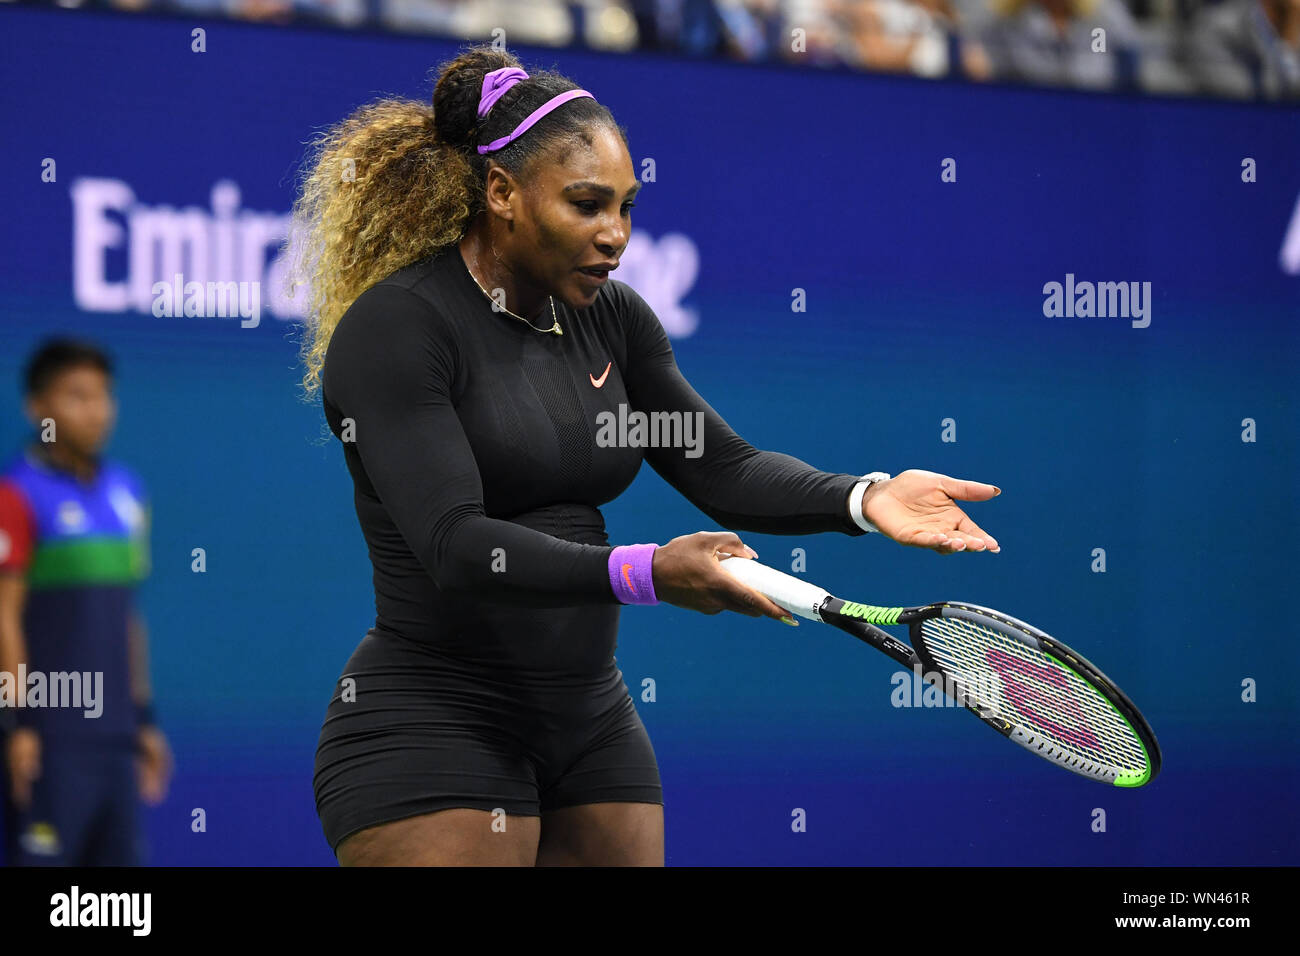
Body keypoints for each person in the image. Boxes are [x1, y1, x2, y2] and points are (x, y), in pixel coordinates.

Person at [291, 44, 1001, 867]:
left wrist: (863, 498)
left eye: (626, 207)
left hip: (591, 722)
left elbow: (722, 468)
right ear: (500, 194)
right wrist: (648, 572)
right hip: (435, 720)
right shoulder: (401, 328)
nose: (616, 236)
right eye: (587, 205)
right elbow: (455, 545)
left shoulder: (613, 322)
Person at [0, 338, 172, 866]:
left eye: (103, 396)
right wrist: (18, 725)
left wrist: (142, 719)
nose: (96, 411)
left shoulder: (127, 492)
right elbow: (4, 617)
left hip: (115, 742)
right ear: (38, 408)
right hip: (49, 742)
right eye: (77, 396)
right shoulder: (15, 495)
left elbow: (128, 618)